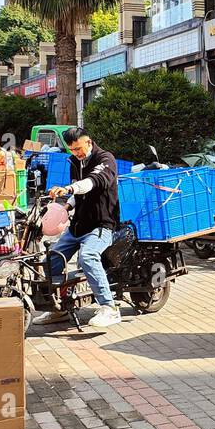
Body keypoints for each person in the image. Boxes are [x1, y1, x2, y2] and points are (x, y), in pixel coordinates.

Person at [37, 126, 121, 328]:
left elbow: (92, 183)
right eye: (72, 150)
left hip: (102, 225)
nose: (76, 153)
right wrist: (66, 206)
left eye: (78, 148)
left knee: (87, 257)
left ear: (89, 142)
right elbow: (79, 193)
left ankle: (109, 308)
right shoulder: (75, 161)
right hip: (77, 226)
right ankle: (59, 309)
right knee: (50, 262)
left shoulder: (105, 160)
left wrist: (68, 188)